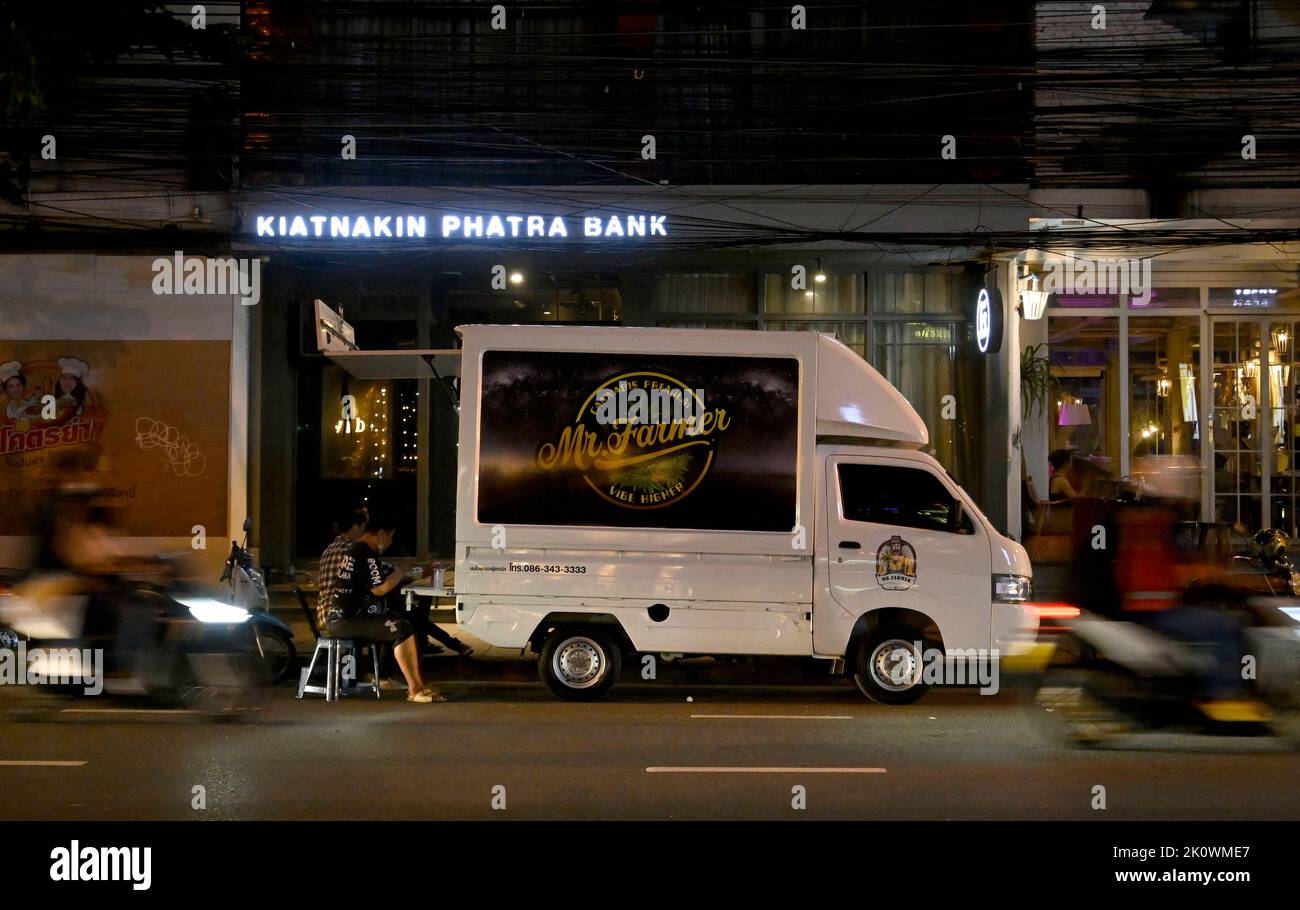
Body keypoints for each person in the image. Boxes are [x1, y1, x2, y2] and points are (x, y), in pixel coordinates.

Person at [320, 509, 445, 703]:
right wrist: (403, 568)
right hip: (346, 619)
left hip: (348, 616)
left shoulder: (359, 551)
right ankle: (415, 688)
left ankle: (419, 685)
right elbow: (380, 588)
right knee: (401, 628)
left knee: (402, 623)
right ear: (381, 534)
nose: (390, 543)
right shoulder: (363, 553)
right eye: (391, 537)